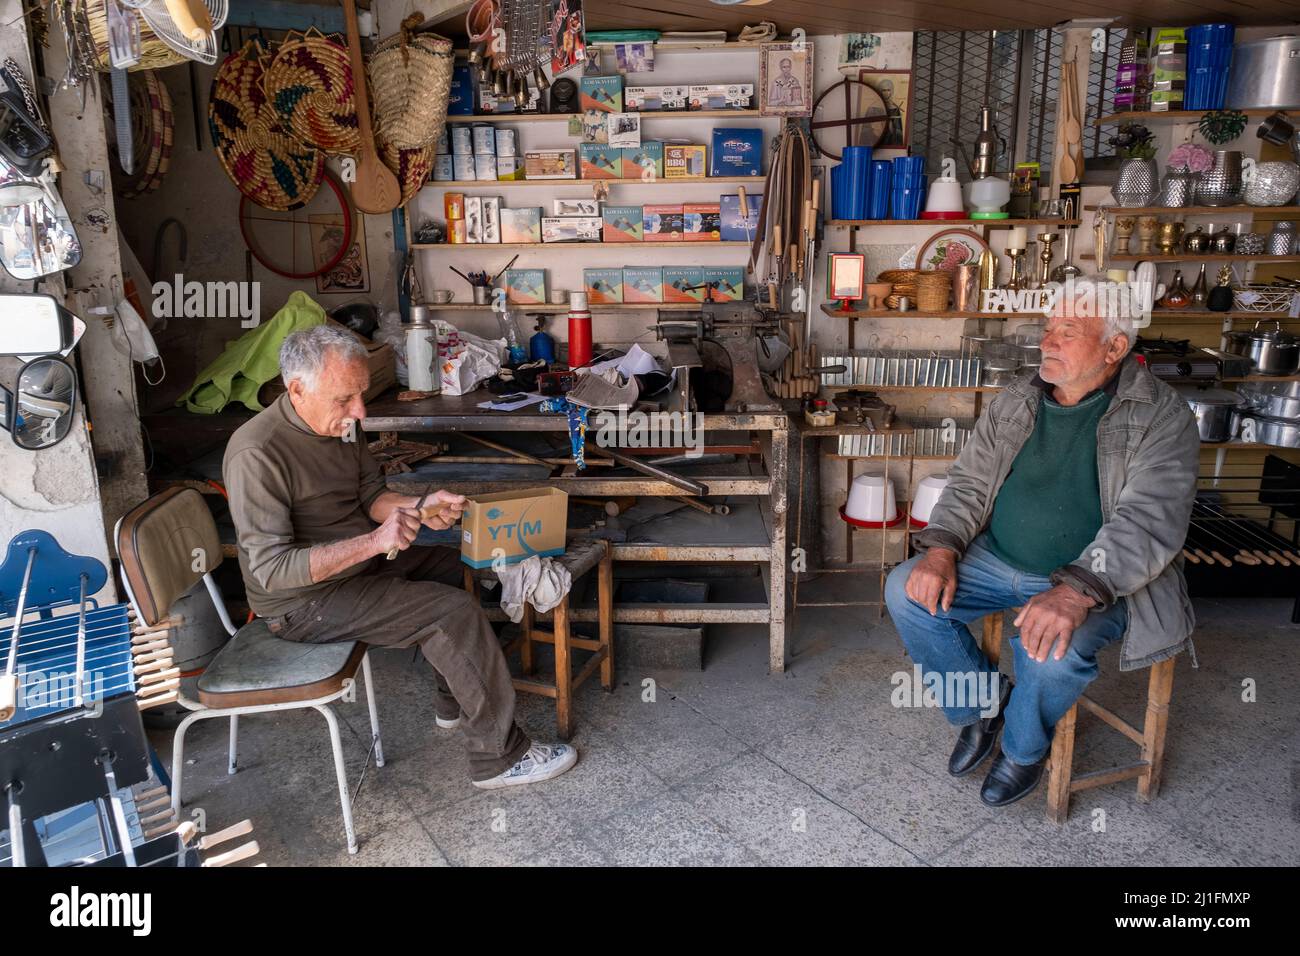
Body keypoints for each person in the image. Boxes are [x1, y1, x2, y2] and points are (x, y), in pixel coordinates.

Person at [884, 281, 1199, 807]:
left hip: (1101, 581)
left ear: (1114, 348)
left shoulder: (1161, 418)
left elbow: (1150, 521)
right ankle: (983, 705)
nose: (1047, 342)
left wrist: (1073, 593)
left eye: (1068, 332)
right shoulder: (1017, 399)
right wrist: (940, 550)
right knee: (906, 591)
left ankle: (1023, 749)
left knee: (1053, 652)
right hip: (995, 559)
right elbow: (969, 484)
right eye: (1048, 329)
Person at [223, 324, 578, 790]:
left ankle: (455, 701)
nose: (360, 411)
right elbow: (273, 572)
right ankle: (499, 757)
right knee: (451, 613)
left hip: (358, 568)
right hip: (302, 603)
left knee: (467, 568)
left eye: (361, 395)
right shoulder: (256, 453)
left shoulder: (341, 425)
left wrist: (422, 506)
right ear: (297, 390)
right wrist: (373, 542)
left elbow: (371, 494)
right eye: (345, 399)